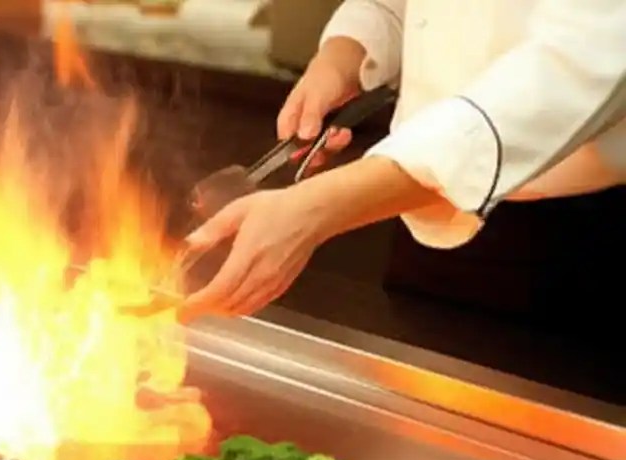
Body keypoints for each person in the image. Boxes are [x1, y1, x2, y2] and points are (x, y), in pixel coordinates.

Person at [178, 0, 626, 320]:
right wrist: (343, 56)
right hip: (417, 208)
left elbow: (579, 63)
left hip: (577, 248)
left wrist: (319, 208)